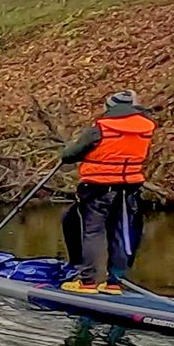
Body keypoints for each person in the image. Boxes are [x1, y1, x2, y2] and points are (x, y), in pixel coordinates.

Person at [59, 89, 154, 295]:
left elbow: (69, 155)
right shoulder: (146, 128)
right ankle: (114, 283)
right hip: (128, 190)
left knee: (92, 233)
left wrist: (69, 148)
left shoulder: (99, 129)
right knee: (119, 234)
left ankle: (88, 282)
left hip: (96, 190)